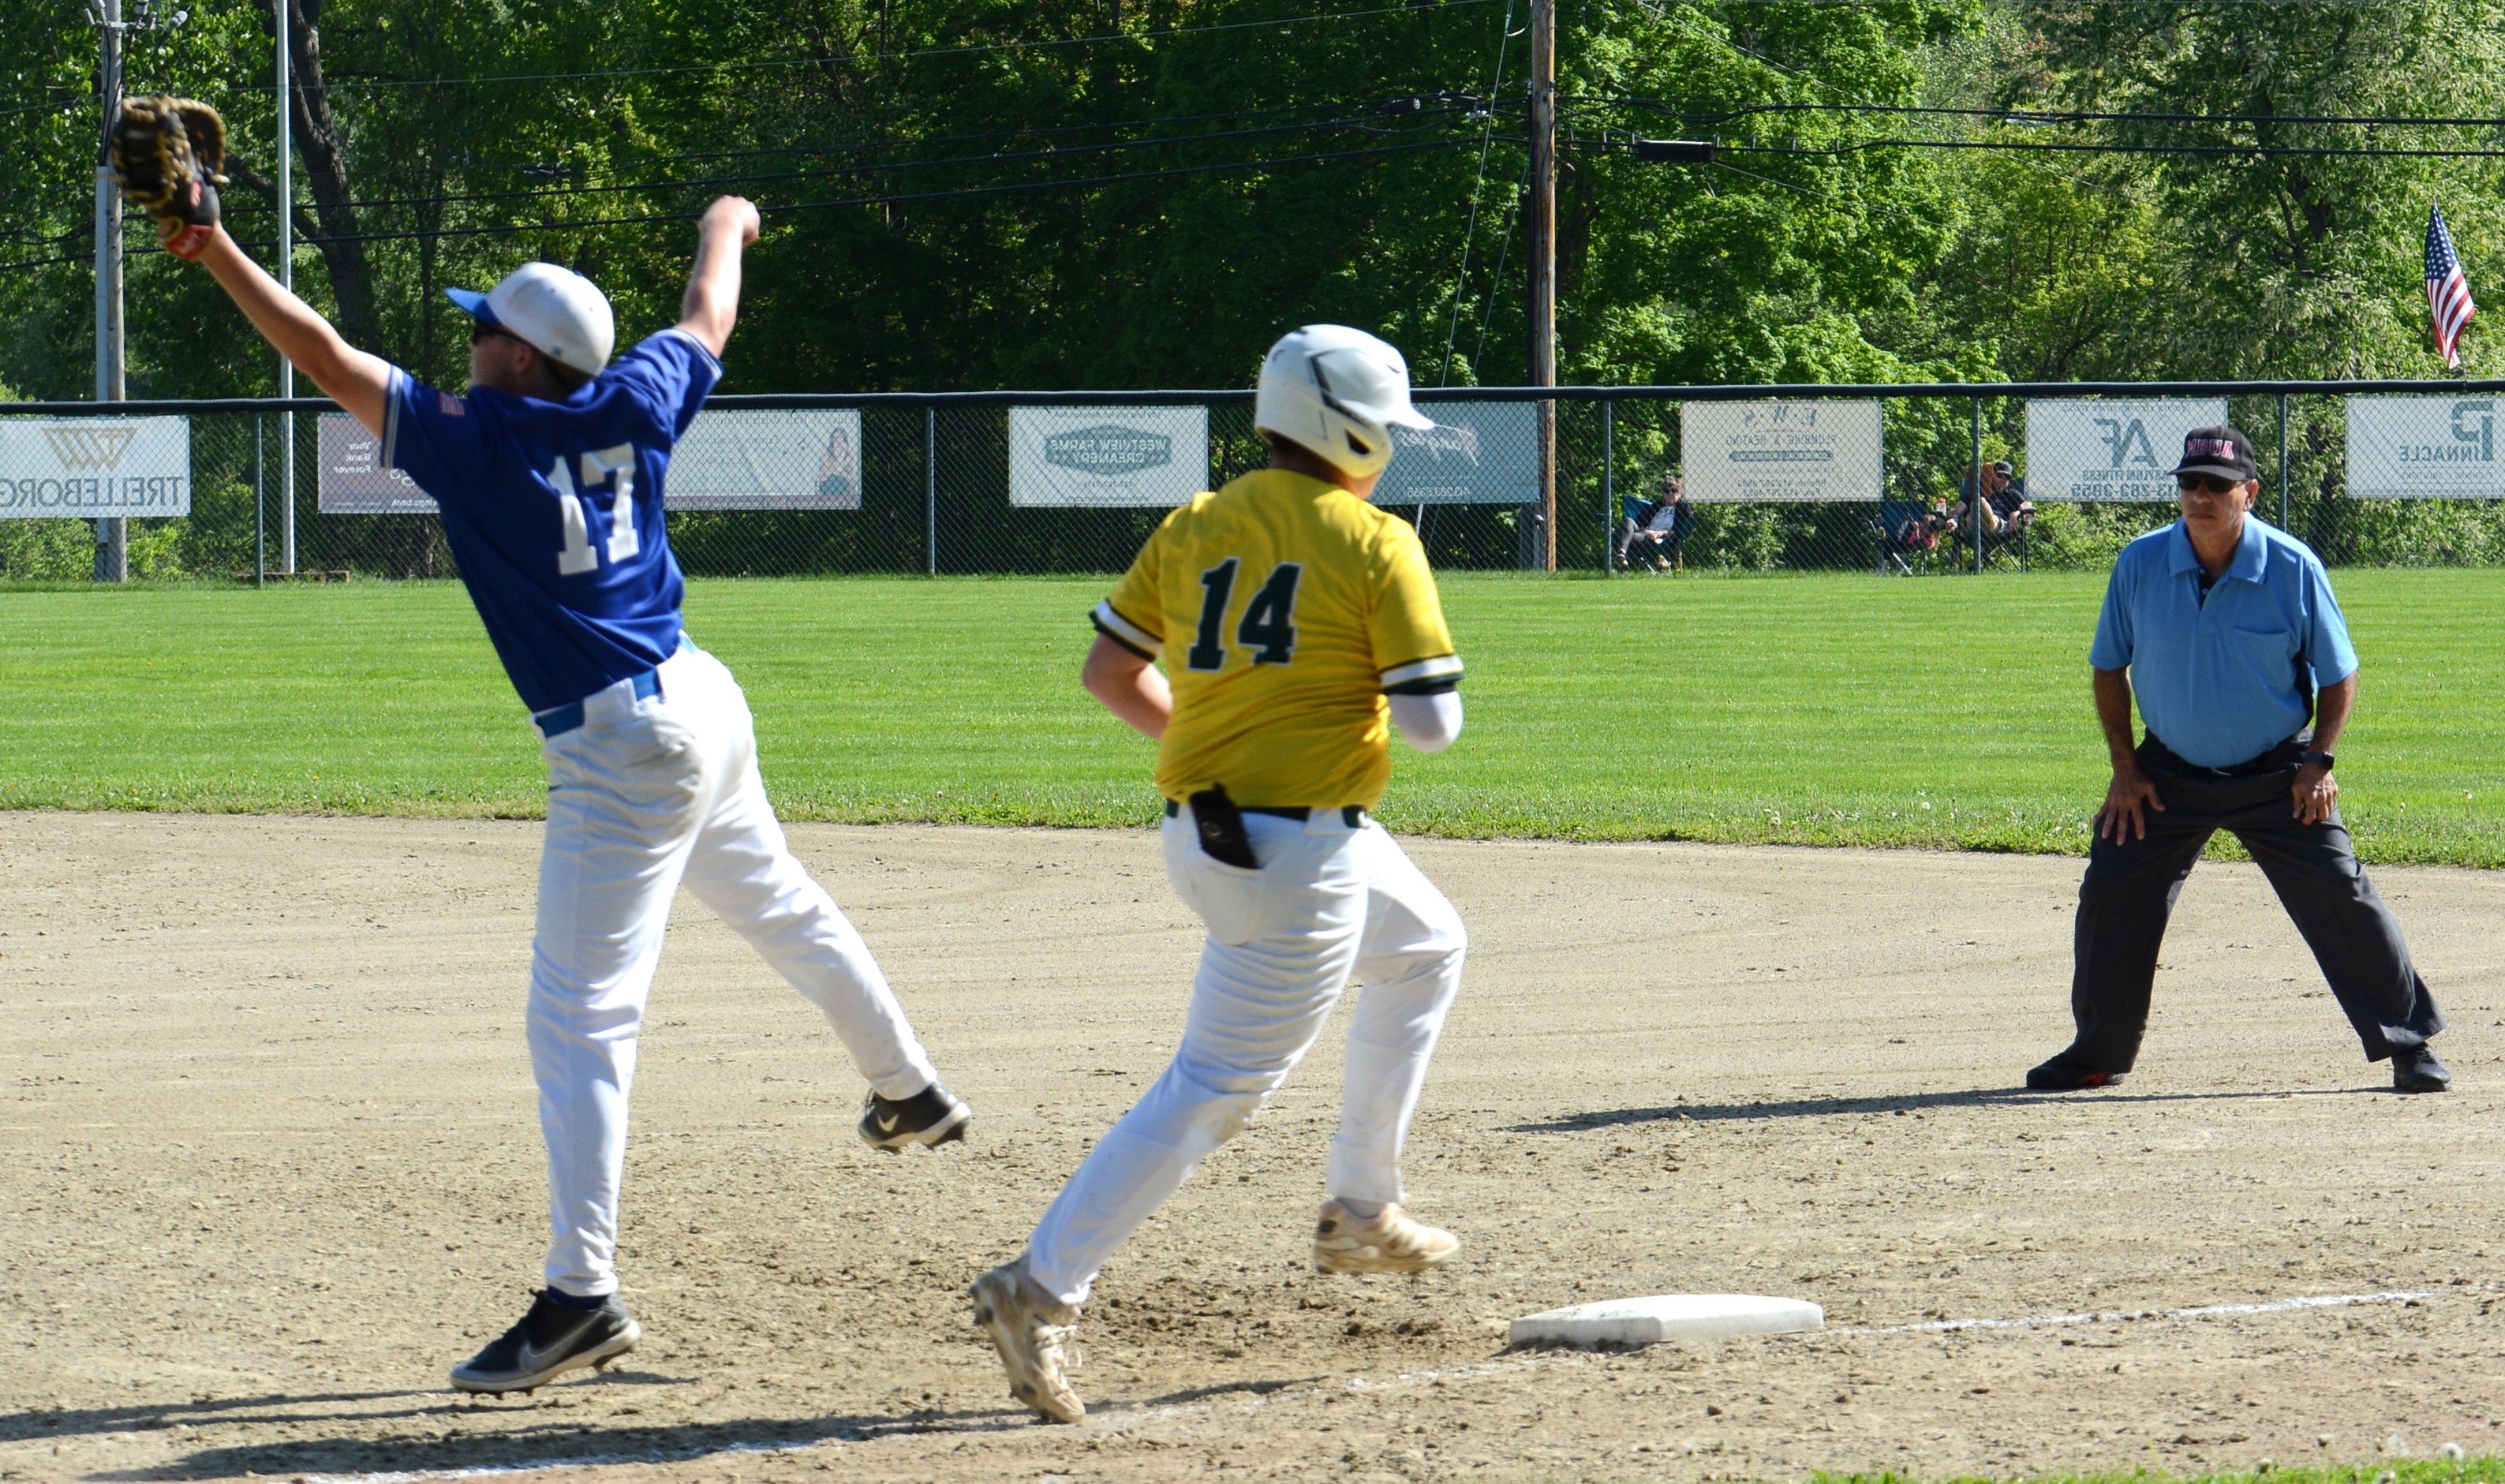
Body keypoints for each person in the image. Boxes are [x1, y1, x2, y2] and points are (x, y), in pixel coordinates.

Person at [171, 190, 974, 1389]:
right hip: (700, 697)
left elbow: (321, 354)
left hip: (621, 748)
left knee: (579, 1018)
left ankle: (580, 1294)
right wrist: (726, 220)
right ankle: (905, 1086)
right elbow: (707, 317)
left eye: (484, 329)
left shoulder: (475, 437)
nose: (469, 343)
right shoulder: (632, 396)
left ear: (523, 357)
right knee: (781, 904)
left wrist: (213, 245)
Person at [968, 325, 1471, 1424]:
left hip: (1210, 830)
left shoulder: (1197, 519)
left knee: (1427, 944)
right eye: (1383, 429)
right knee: (1212, 1089)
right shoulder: (1376, 539)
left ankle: (1362, 1207)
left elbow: (1111, 667)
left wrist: (1210, 757)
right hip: (1299, 854)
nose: (1388, 447)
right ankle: (1041, 1286)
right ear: (1344, 427)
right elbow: (1433, 728)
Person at [2026, 426, 2448, 1095]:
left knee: (2340, 893)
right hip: (2164, 774)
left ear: (2247, 493)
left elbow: (2339, 675)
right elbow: (2110, 667)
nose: (2199, 495)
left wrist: (2319, 760)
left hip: (2278, 774)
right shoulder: (2138, 564)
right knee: (2110, 890)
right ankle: (2096, 1052)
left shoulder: (2291, 565)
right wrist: (2124, 768)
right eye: (2189, 483)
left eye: (2216, 486)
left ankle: (2408, 1044)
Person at [1613, 474, 1693, 572]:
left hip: (1661, 540)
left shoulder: (1683, 508)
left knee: (1621, 536)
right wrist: (1648, 532)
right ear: (1663, 493)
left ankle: (1621, 564)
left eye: (1673, 490)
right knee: (1628, 521)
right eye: (1666, 491)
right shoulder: (1656, 506)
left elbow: (1680, 530)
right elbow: (1639, 523)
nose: (1670, 494)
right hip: (1645, 536)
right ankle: (1622, 554)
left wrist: (1662, 533)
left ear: (1680, 492)